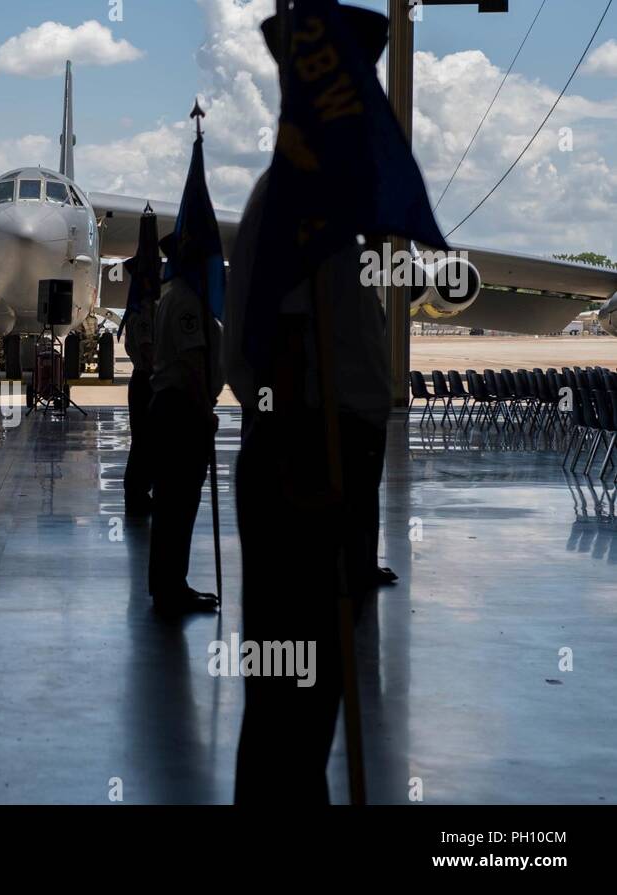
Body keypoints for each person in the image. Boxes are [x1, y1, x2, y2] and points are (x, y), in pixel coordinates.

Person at [225, 6, 392, 804]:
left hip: (323, 460)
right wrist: (309, 474)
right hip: (307, 465)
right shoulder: (301, 205)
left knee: (309, 687)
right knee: (294, 687)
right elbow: (286, 349)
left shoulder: (323, 199)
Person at [148, 233, 222, 615]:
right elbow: (193, 364)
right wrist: (205, 411)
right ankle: (171, 587)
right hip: (182, 410)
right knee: (178, 504)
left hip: (172, 407)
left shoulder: (173, 295)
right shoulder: (187, 301)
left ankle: (168, 584)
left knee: (171, 504)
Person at [122, 256, 157, 516]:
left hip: (142, 381)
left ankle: (139, 492)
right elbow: (148, 351)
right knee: (144, 441)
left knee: (143, 441)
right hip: (147, 380)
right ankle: (137, 494)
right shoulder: (144, 311)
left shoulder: (137, 309)